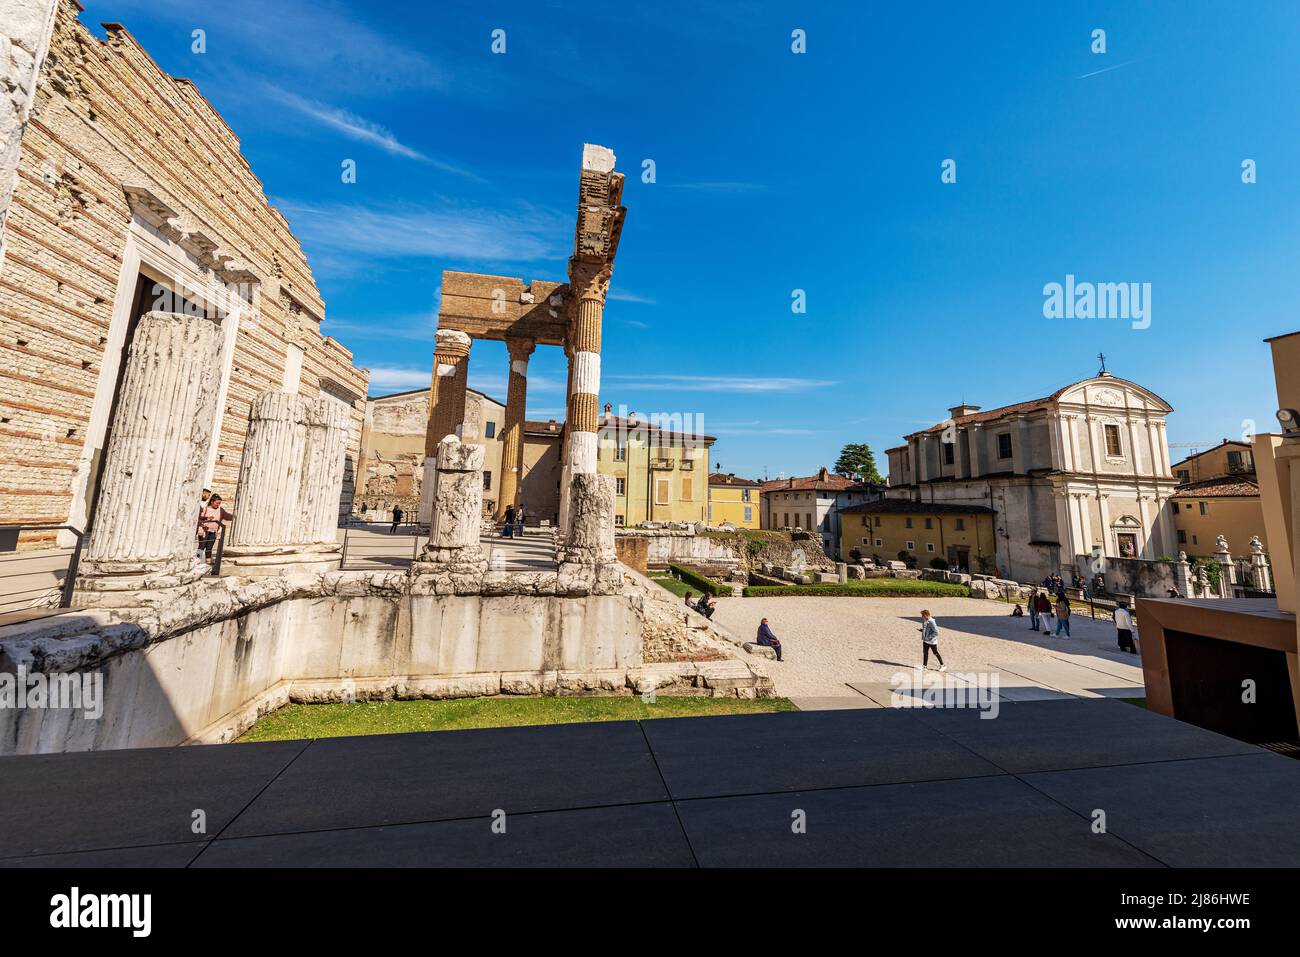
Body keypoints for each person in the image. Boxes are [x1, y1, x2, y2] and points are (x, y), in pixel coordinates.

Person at [197, 494, 232, 560]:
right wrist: (207, 518)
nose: (218, 505)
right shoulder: (205, 509)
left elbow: (227, 516)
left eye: (219, 503)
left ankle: (208, 560)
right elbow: (200, 518)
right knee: (201, 546)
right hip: (205, 531)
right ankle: (197, 560)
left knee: (209, 547)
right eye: (217, 503)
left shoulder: (221, 510)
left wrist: (235, 517)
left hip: (213, 531)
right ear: (212, 502)